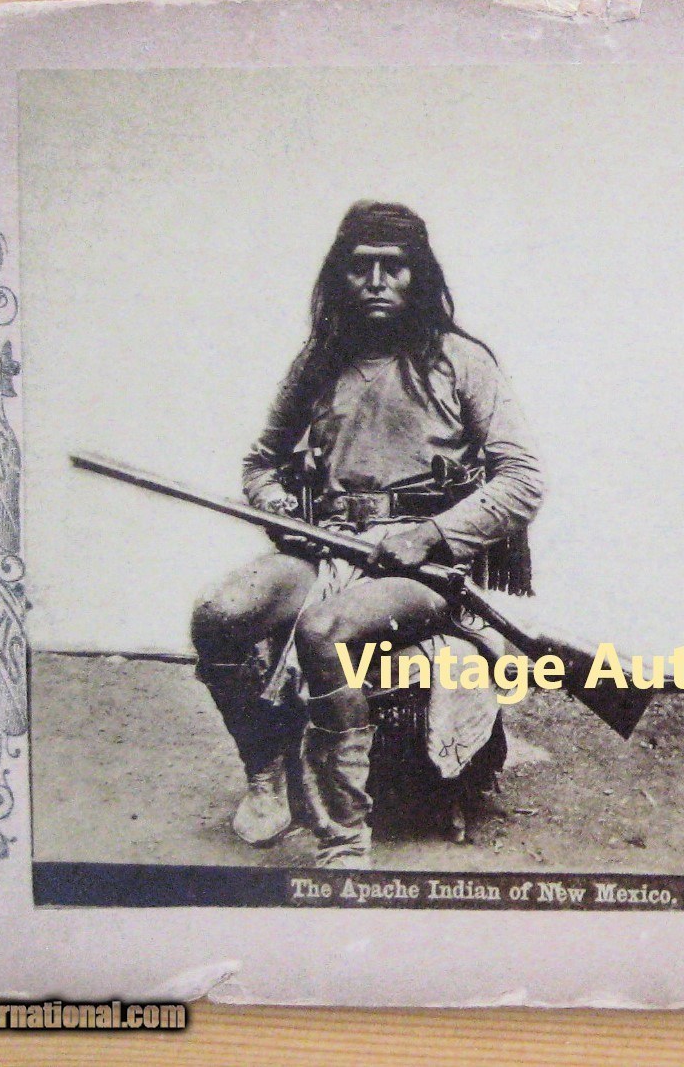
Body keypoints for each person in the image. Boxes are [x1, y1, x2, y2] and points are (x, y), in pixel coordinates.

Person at [189, 200, 544, 868]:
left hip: (416, 575)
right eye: (362, 268)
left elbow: (522, 480)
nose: (378, 281)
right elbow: (261, 463)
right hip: (325, 552)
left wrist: (432, 533)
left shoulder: (462, 362)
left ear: (419, 276)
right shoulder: (318, 362)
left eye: (394, 267)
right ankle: (265, 774)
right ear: (340, 278)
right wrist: (288, 519)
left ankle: (342, 841)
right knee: (218, 615)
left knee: (327, 634)